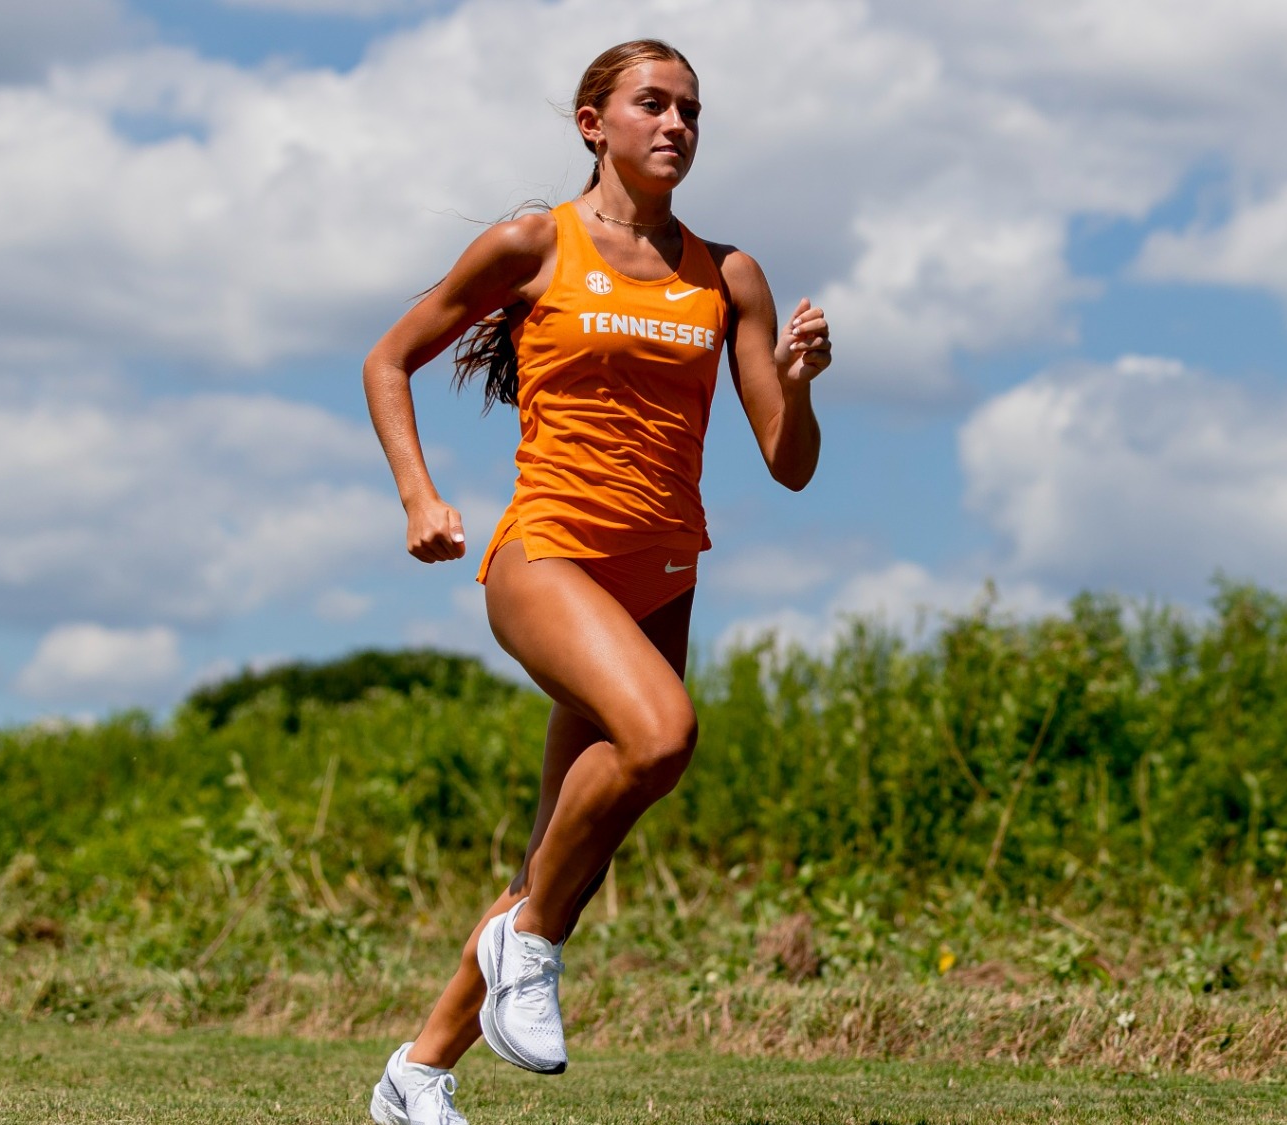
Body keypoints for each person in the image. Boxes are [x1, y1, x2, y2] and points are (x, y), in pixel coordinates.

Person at [359, 38, 829, 1125]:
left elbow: (788, 463)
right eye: (651, 105)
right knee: (660, 736)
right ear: (592, 122)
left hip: (662, 571)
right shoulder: (535, 243)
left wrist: (797, 387)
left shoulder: (730, 274)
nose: (675, 126)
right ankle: (522, 944)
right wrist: (419, 499)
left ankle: (416, 1074)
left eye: (691, 112)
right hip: (548, 553)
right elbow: (388, 360)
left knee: (567, 849)